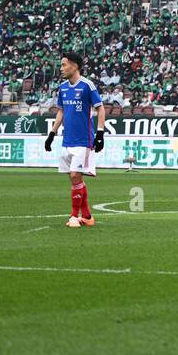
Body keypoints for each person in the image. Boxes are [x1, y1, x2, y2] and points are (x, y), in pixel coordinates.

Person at [43, 52, 105, 228]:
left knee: (75, 175)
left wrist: (100, 134)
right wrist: (52, 134)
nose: (61, 68)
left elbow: (100, 109)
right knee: (75, 179)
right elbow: (61, 111)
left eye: (64, 65)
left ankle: (73, 216)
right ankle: (87, 216)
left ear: (75, 66)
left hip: (84, 140)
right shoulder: (63, 87)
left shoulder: (87, 85)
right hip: (67, 140)